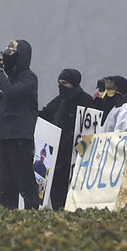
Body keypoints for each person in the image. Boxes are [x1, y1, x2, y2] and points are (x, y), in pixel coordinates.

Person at [0, 39, 40, 209]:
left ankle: (32, 214)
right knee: (7, 185)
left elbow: (12, 93)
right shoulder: (9, 80)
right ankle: (10, 215)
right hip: (6, 138)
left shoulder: (29, 78)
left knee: (25, 182)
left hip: (20, 138)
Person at [38, 68, 92, 210]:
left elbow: (92, 130)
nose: (61, 86)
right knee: (57, 197)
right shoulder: (58, 101)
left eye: (64, 83)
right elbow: (45, 115)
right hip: (56, 159)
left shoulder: (87, 101)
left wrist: (73, 143)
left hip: (75, 159)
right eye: (59, 83)